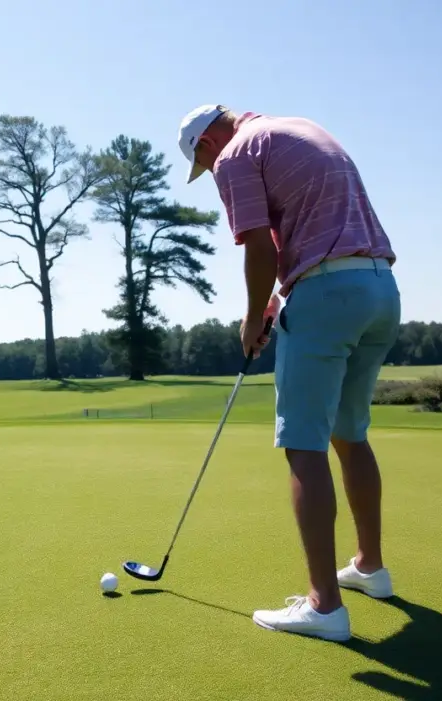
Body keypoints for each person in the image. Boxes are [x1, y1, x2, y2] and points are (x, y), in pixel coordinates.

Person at [176, 104, 401, 642]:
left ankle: (325, 606)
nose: (212, 175)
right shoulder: (299, 128)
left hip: (327, 294)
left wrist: (254, 316)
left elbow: (256, 245)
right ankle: (370, 568)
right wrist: (281, 296)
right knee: (350, 433)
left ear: (207, 146)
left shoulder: (234, 155)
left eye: (203, 167)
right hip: (379, 290)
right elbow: (311, 227)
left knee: (304, 444)